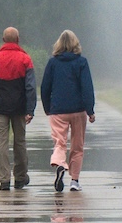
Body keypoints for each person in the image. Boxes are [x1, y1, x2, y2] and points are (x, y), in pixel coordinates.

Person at [0, 27, 36, 190]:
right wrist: (30, 109)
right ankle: (20, 177)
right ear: (18, 39)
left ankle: (4, 179)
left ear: (3, 40)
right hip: (19, 107)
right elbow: (30, 87)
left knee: (1, 142)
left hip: (0, 107)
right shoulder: (25, 59)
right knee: (20, 142)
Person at [40, 30, 95, 192]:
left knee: (60, 142)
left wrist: (47, 107)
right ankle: (74, 181)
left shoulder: (53, 63)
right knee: (77, 146)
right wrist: (90, 110)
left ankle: (59, 164)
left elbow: (45, 87)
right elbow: (87, 88)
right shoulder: (81, 62)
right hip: (78, 110)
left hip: (58, 110)